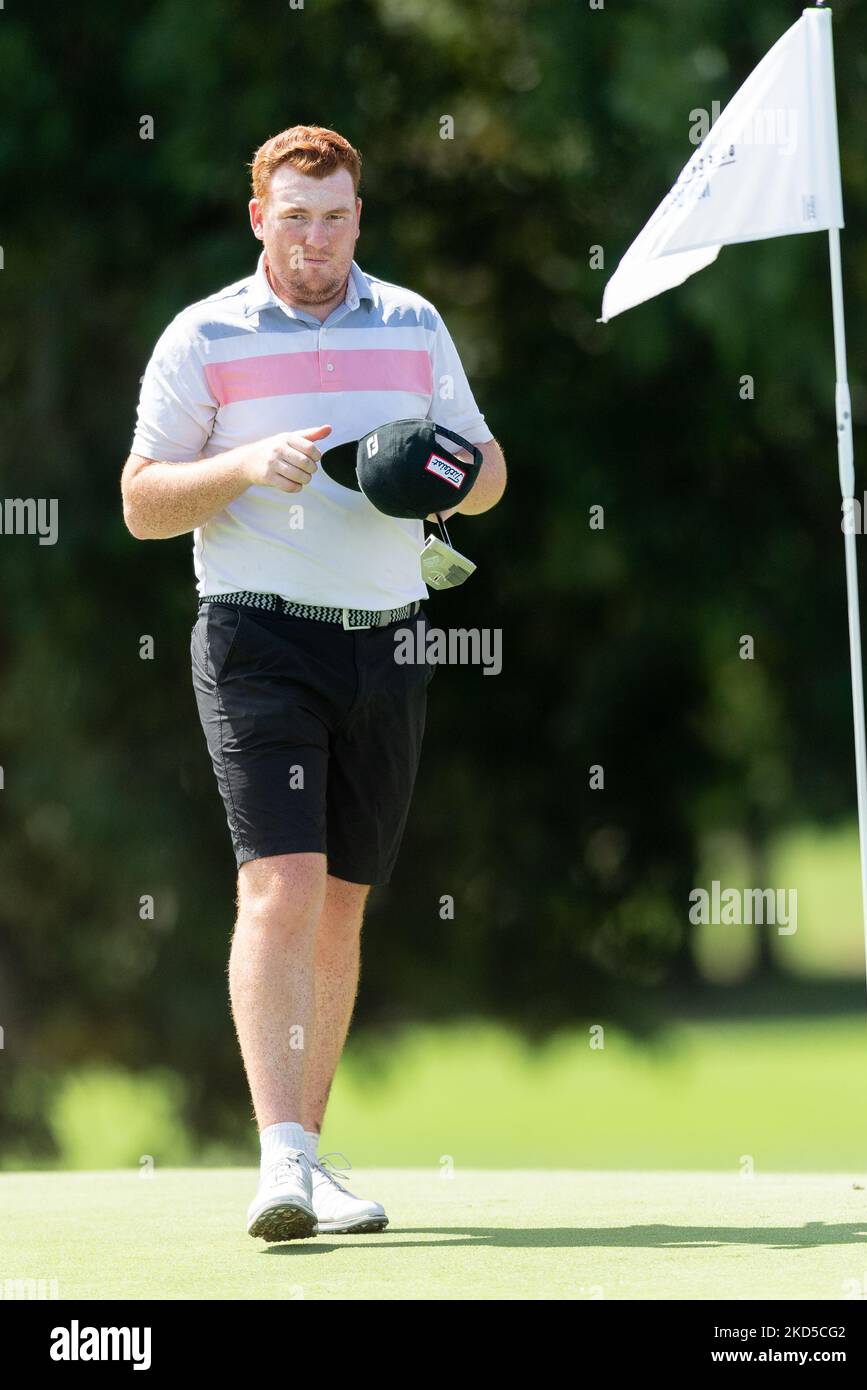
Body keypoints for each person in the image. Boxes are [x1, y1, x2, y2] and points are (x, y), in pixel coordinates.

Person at [120, 124, 506, 1241]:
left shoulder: (413, 322)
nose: (317, 238)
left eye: (335, 216)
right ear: (259, 220)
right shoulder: (204, 336)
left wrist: (443, 469)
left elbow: (485, 476)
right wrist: (244, 463)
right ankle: (277, 1160)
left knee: (341, 902)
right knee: (279, 888)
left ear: (357, 219)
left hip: (388, 638)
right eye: (296, 217)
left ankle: (312, 1159)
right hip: (256, 638)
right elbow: (143, 502)